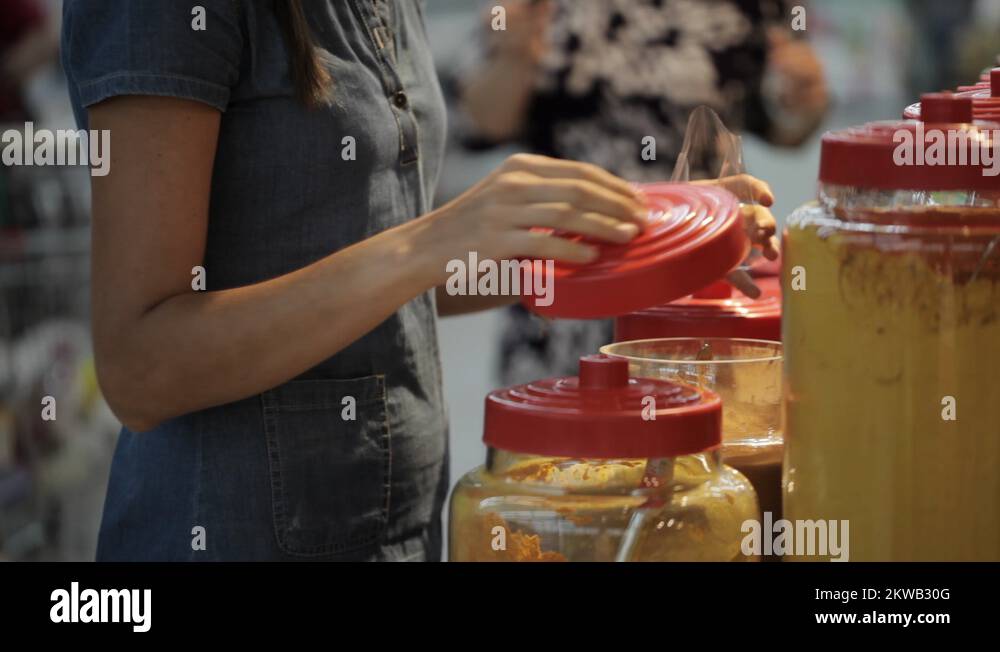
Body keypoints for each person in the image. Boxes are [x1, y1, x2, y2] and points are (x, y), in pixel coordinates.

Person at [62, 0, 777, 561]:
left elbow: (374, 262)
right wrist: (436, 237)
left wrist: (647, 236)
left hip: (396, 528)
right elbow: (140, 367)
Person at [460, 0, 827, 383]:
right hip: (566, 269)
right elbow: (474, 124)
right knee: (564, 429)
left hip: (699, 269)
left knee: (697, 423)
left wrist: (802, 97)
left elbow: (784, 124)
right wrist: (514, 56)